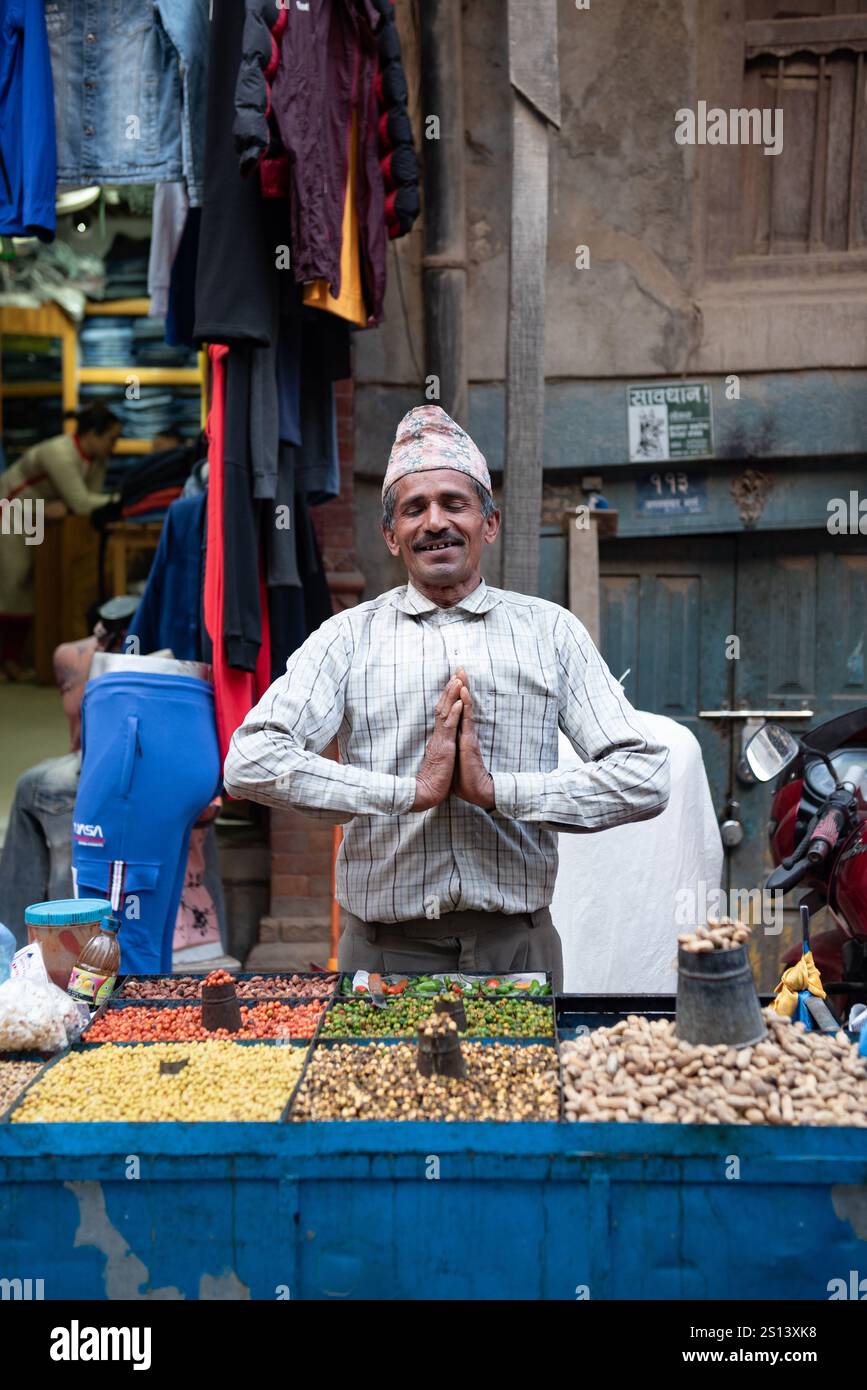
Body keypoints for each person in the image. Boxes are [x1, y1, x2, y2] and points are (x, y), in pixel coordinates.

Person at [224, 405, 671, 989]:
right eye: (414, 509)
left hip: (518, 951)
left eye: (454, 504)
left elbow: (645, 775)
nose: (435, 521)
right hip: (383, 955)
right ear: (390, 535)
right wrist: (408, 793)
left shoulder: (550, 631)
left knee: (520, 1085)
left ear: (490, 522)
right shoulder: (347, 637)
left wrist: (497, 792)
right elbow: (249, 760)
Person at [0, 402, 121, 680]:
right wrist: (122, 501)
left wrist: (97, 504)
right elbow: (81, 503)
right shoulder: (60, 453)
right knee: (12, 582)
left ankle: (13, 660)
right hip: (10, 511)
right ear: (92, 434)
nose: (114, 446)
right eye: (111, 438)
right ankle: (8, 661)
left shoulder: (96, 459)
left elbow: (88, 503)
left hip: (36, 515)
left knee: (29, 584)